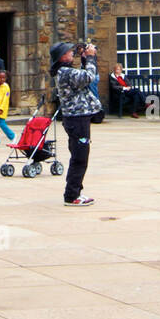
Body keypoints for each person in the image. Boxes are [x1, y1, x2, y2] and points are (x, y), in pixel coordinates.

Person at [52, 41, 101, 205]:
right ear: (62, 57)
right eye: (69, 52)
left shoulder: (65, 72)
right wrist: (92, 59)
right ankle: (72, 195)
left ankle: (74, 192)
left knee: (77, 156)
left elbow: (80, 77)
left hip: (75, 119)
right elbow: (88, 77)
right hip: (77, 119)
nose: (72, 53)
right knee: (80, 157)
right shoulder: (65, 72)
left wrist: (85, 59)